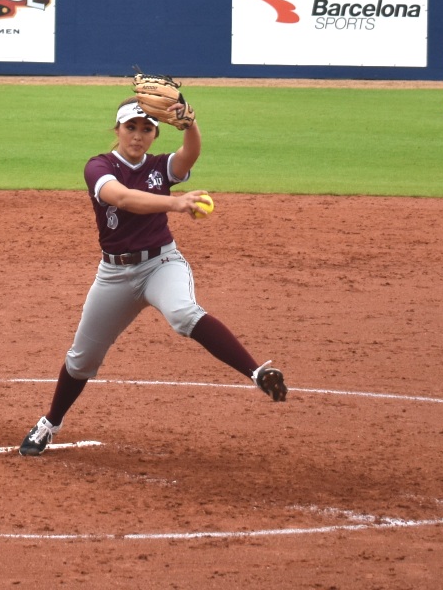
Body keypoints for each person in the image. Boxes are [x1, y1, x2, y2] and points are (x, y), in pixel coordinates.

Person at [18, 97, 288, 456]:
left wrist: (190, 124)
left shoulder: (160, 167)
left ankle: (257, 373)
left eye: (147, 129)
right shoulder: (99, 167)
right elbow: (124, 198)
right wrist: (175, 203)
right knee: (82, 359)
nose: (138, 136)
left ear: (155, 134)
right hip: (114, 274)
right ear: (117, 130)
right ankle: (50, 423)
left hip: (161, 264)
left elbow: (189, 156)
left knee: (183, 314)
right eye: (131, 127)